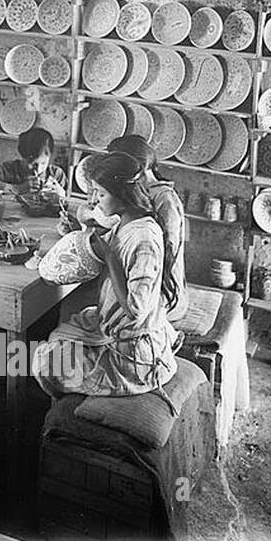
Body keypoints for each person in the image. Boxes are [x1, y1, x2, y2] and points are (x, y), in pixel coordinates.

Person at [32, 152, 181, 398]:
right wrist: (82, 232)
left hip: (132, 357)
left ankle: (61, 406)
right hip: (118, 331)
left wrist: (110, 258)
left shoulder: (144, 238)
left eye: (100, 194)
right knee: (64, 330)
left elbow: (136, 310)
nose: (95, 200)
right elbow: (98, 242)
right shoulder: (126, 221)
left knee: (45, 361)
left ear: (122, 194)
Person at [107, 134, 188, 324]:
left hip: (164, 296)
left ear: (135, 168)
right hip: (145, 282)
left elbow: (163, 255)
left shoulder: (164, 199)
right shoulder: (140, 193)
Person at [0, 127, 67, 195]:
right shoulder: (10, 169)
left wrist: (59, 193)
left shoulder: (56, 174)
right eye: (33, 164)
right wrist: (17, 189)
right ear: (22, 156)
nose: (39, 169)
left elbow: (67, 199)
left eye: (43, 163)